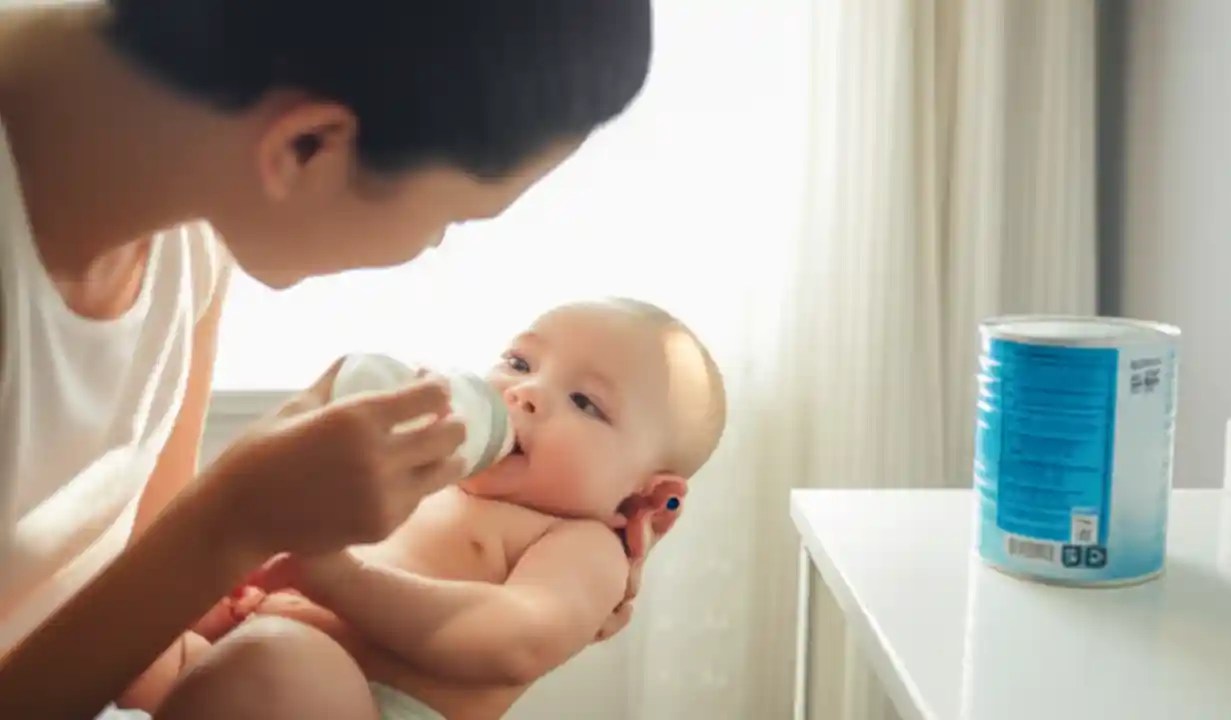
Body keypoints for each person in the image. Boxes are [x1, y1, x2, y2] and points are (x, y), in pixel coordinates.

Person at [0, 2, 662, 718]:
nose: (430, 246)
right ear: (308, 146)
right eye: (452, 220)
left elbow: (148, 636)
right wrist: (232, 520)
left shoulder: (184, 236)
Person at [122, 298, 728, 720]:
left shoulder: (581, 542)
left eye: (585, 403)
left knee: (285, 661)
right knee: (131, 621)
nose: (525, 393)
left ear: (647, 498)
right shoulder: (433, 481)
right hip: (245, 663)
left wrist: (340, 582)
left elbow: (516, 639)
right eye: (520, 363)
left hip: (369, 704)